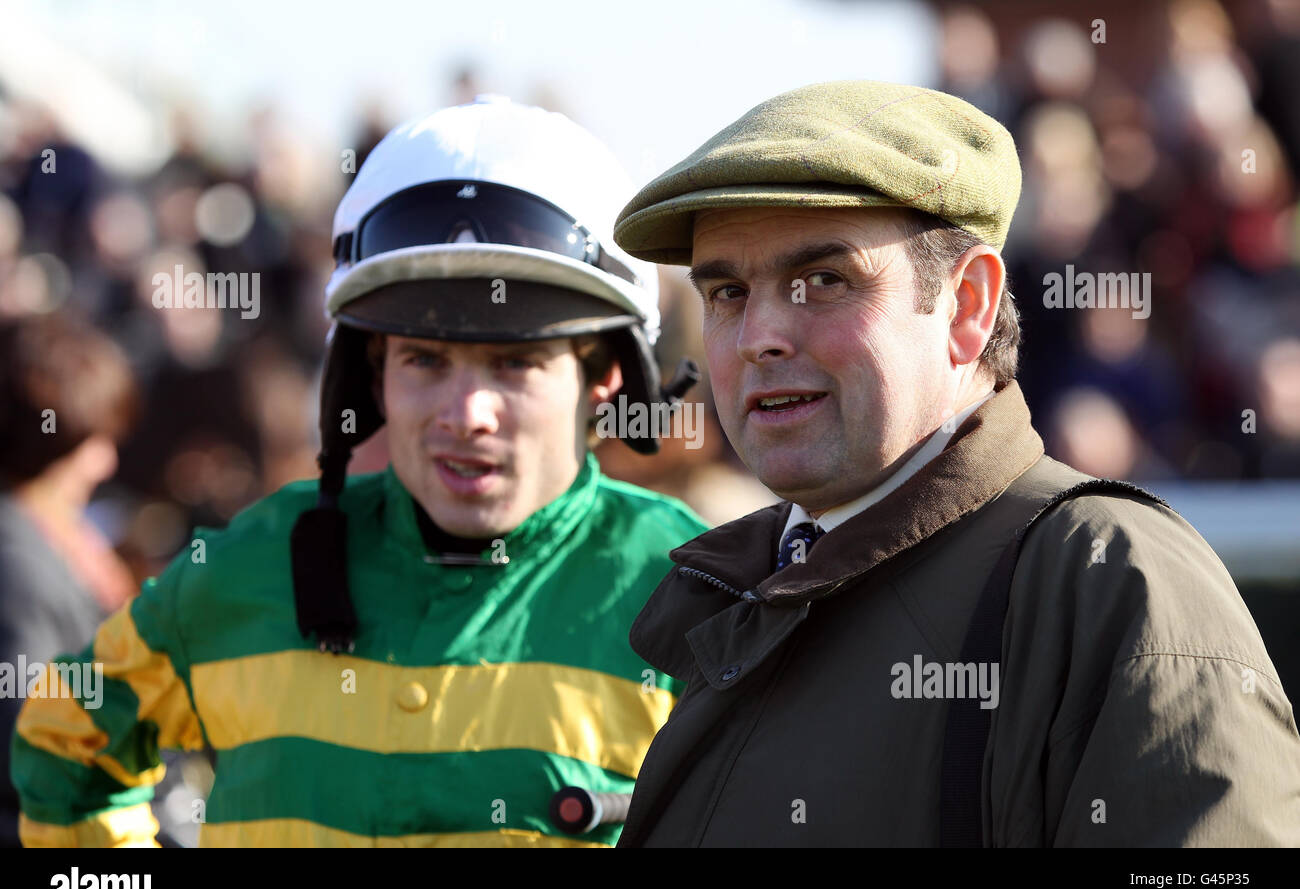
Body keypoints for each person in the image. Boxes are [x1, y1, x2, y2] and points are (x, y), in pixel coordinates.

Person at [609, 80, 1300, 847]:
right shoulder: (726, 591)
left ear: (968, 304)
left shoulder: (1111, 578)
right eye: (728, 292)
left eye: (825, 280)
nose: (758, 336)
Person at [11, 96, 706, 847]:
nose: (466, 411)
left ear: (604, 376)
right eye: (424, 358)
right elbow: (65, 741)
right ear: (370, 378)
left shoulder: (690, 595)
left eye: (516, 362)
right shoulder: (250, 560)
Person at [0, 314, 139, 847]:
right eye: (91, 438)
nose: (106, 462)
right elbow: (35, 745)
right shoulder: (16, 566)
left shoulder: (60, 534)